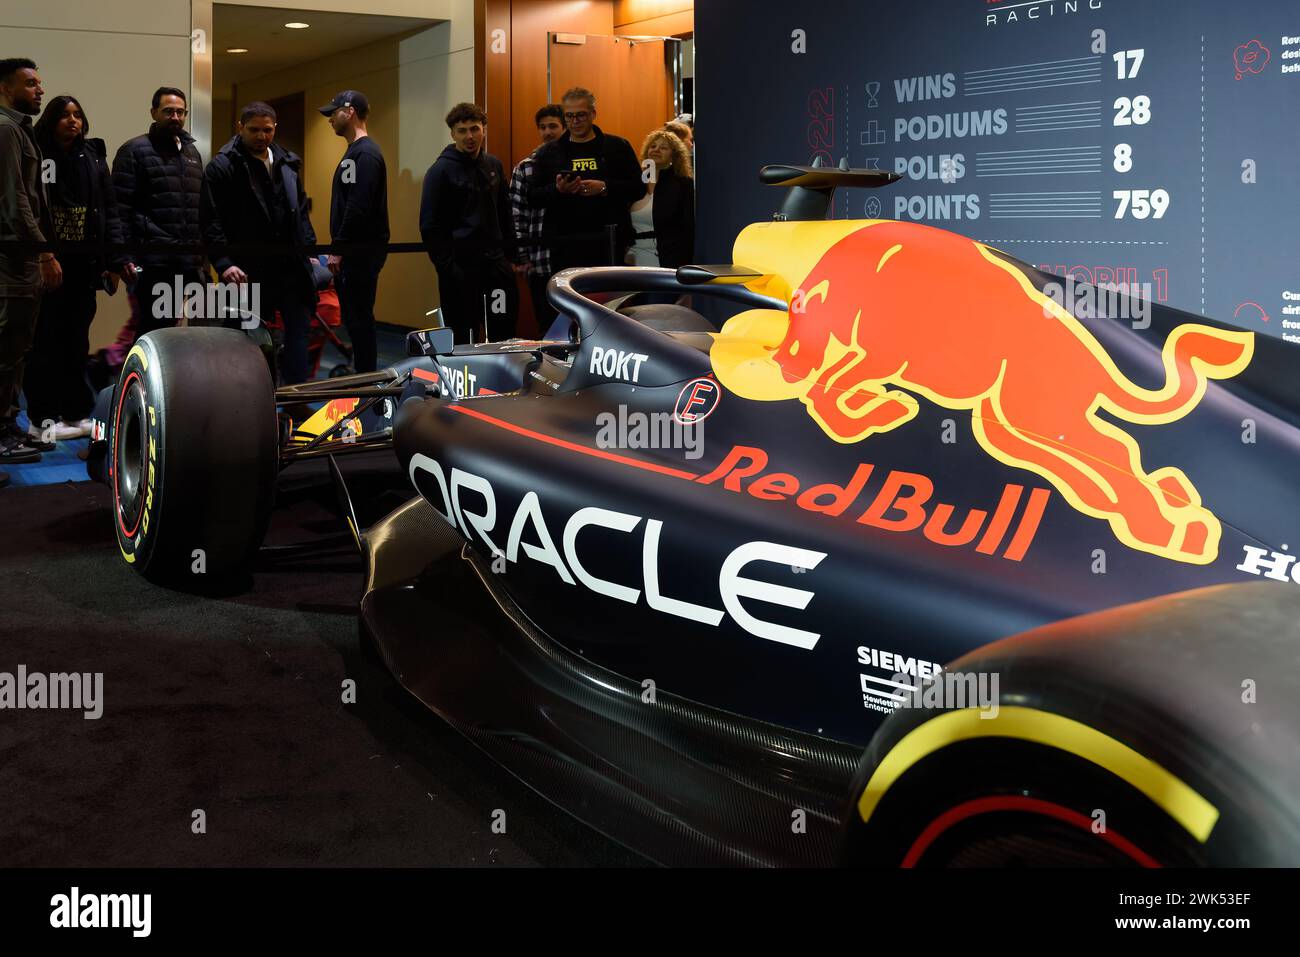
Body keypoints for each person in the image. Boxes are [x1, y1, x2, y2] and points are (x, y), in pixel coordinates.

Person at [23, 95, 126, 443]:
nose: (73, 121)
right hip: (47, 263)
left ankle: (76, 413)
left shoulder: (94, 157)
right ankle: (43, 419)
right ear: (51, 120)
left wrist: (113, 261)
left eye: (77, 115)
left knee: (75, 342)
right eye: (65, 115)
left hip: (85, 266)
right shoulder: (34, 153)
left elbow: (109, 209)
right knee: (44, 344)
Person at [202, 101, 318, 383]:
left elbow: (300, 210)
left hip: (290, 265)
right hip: (247, 267)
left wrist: (310, 249)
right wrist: (224, 263)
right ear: (240, 127)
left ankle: (296, 400)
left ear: (274, 128)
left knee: (298, 336)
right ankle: (243, 396)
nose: (261, 136)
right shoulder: (223, 166)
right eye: (254, 130)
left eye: (267, 130)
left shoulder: (287, 162)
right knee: (244, 338)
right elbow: (210, 219)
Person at [0, 57, 59, 478]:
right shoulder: (6, 130)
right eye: (31, 83)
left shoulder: (18, 128)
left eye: (40, 83)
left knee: (16, 348)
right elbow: (15, 199)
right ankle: (3, 434)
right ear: (6, 87)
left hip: (19, 259)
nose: (40, 89)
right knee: (8, 347)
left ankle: (7, 427)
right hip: (13, 261)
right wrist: (42, 251)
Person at [419, 102, 517, 344]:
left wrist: (511, 258)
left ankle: (502, 382)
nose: (469, 136)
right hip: (460, 270)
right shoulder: (440, 171)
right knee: (462, 337)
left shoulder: (493, 164)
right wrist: (448, 268)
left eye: (474, 129)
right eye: (462, 131)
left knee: (502, 330)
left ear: (484, 129)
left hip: (495, 268)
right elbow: (430, 226)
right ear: (453, 134)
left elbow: (504, 212)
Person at [111, 86, 204, 335]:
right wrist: (124, 257)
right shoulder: (134, 150)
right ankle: (142, 375)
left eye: (180, 112)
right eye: (168, 111)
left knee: (191, 333)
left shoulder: (192, 152)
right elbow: (119, 208)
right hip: (153, 261)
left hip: (188, 261)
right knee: (153, 333)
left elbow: (197, 207)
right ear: (154, 113)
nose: (175, 117)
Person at [527, 87, 644, 273]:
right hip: (565, 243)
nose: (575, 121)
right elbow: (533, 196)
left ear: (593, 113)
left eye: (581, 115)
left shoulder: (617, 147)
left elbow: (638, 188)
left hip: (609, 241)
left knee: (609, 300)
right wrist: (558, 189)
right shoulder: (548, 152)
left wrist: (605, 187)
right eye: (569, 116)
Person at [321, 90, 388, 373]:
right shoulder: (357, 153)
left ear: (349, 112)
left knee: (360, 320)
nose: (329, 120)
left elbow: (357, 208)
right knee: (357, 319)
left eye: (333, 113)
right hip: (357, 252)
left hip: (359, 254)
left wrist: (339, 248)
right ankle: (365, 379)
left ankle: (367, 383)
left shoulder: (365, 154)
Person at [509, 104, 563, 330]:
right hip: (539, 260)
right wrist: (521, 257)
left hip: (573, 256)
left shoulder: (575, 162)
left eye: (553, 126)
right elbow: (516, 212)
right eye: (542, 127)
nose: (547, 132)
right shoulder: (526, 167)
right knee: (546, 323)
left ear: (565, 127)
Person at [627, 129, 694, 269]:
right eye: (653, 146)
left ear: (674, 156)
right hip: (632, 258)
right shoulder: (634, 183)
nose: (656, 150)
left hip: (667, 259)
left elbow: (687, 228)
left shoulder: (683, 184)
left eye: (664, 147)